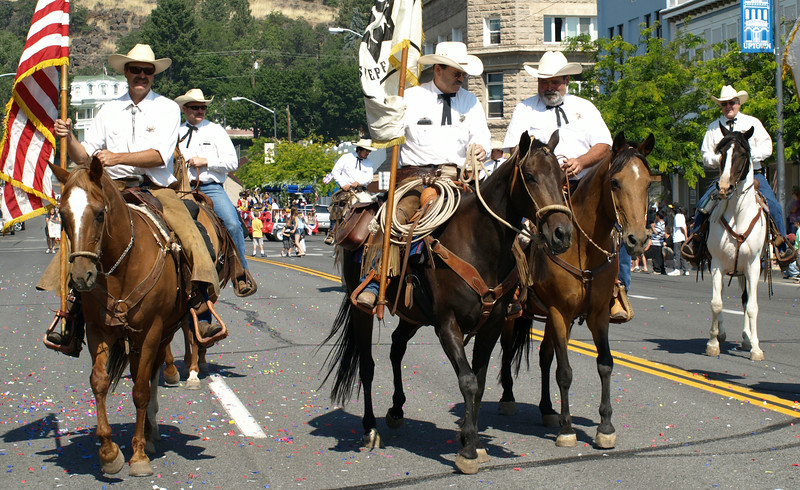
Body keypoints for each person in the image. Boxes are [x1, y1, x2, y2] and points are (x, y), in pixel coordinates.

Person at [47, 44, 221, 349]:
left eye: (147, 70)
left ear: (153, 75)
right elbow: (85, 158)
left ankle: (199, 302)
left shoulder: (167, 108)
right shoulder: (108, 110)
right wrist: (68, 136)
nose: (141, 75)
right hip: (111, 188)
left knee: (190, 232)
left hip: (154, 188)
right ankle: (72, 309)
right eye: (135, 70)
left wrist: (115, 158)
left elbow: (159, 155)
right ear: (125, 73)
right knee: (80, 236)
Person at [356, 41, 491, 308]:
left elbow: (481, 136)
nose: (461, 78)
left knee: (495, 217)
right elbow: (386, 131)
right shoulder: (411, 97)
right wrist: (391, 116)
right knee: (394, 217)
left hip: (458, 180)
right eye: (456, 72)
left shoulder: (471, 101)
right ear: (438, 69)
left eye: (463, 73)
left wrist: (480, 148)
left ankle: (510, 287)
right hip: (416, 180)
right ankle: (374, 279)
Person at [683, 85, 795, 268]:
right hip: (725, 175)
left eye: (732, 103)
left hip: (753, 174)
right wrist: (722, 159)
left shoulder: (753, 123)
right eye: (724, 104)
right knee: (703, 204)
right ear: (721, 106)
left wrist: (746, 158)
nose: (728, 106)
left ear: (738, 103)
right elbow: (705, 155)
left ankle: (782, 246)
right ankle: (696, 244)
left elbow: (767, 148)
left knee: (773, 204)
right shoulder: (713, 128)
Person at [175, 88, 254, 294]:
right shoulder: (175, 132)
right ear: (185, 109)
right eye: (195, 107)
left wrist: (206, 161)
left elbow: (232, 162)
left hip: (210, 187)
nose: (200, 111)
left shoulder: (215, 130)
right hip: (181, 188)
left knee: (232, 224)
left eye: (203, 108)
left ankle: (241, 274)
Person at [502, 50, 612, 188]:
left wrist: (581, 162)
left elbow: (604, 146)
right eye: (544, 82)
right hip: (541, 188)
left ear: (567, 80)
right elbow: (515, 150)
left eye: (555, 82)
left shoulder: (586, 107)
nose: (549, 88)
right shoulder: (524, 109)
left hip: (584, 186)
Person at [324, 138, 376, 245]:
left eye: (369, 151)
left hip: (361, 190)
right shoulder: (346, 158)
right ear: (359, 150)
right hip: (347, 190)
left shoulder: (369, 162)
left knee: (374, 205)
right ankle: (332, 232)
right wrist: (343, 184)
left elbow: (369, 178)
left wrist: (359, 182)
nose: (368, 153)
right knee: (337, 206)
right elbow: (335, 172)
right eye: (366, 150)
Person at [668, 204, 690, 276]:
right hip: (682, 238)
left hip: (677, 238)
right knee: (682, 255)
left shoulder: (677, 216)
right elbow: (685, 227)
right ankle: (686, 270)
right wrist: (686, 237)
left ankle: (676, 269)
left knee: (676, 254)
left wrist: (685, 236)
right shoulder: (682, 216)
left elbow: (681, 227)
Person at [650, 211, 667, 275]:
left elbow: (656, 232)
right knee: (659, 256)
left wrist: (652, 227)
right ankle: (661, 269)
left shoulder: (660, 223)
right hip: (657, 242)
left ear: (658, 216)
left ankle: (657, 269)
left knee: (656, 257)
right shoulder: (660, 223)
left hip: (656, 242)